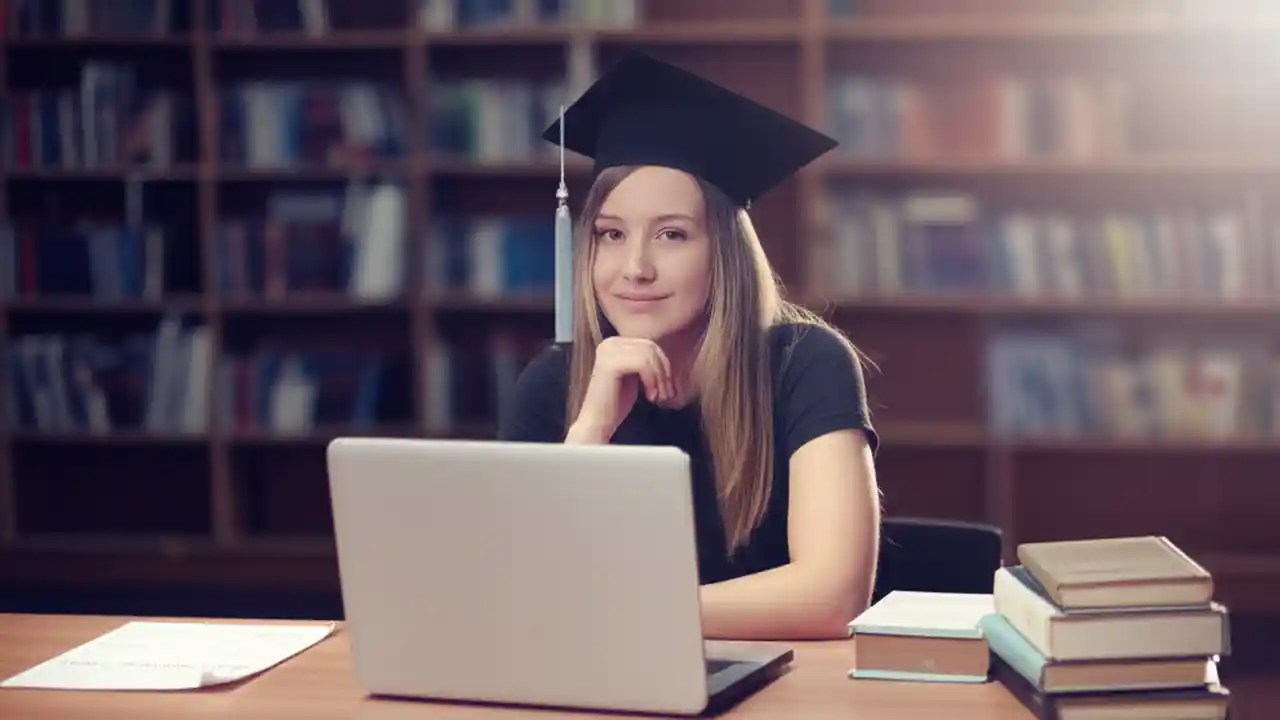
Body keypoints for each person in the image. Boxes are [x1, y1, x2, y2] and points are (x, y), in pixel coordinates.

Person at [498, 51, 880, 641]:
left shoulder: (804, 364)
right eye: (610, 234)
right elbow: (514, 592)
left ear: (724, 253)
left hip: (780, 680)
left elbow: (833, 596)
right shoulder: (553, 383)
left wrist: (625, 612)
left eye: (671, 234)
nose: (635, 267)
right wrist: (591, 430)